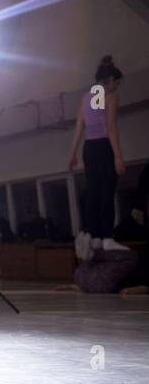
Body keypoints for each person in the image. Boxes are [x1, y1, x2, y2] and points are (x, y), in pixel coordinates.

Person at [69, 55, 130, 257]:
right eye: (117, 84)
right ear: (110, 80)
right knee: (107, 191)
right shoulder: (110, 97)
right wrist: (118, 157)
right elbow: (111, 129)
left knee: (94, 191)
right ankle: (108, 238)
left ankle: (93, 236)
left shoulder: (87, 98)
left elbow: (79, 127)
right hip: (104, 147)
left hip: (89, 149)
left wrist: (73, 154)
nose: (117, 88)